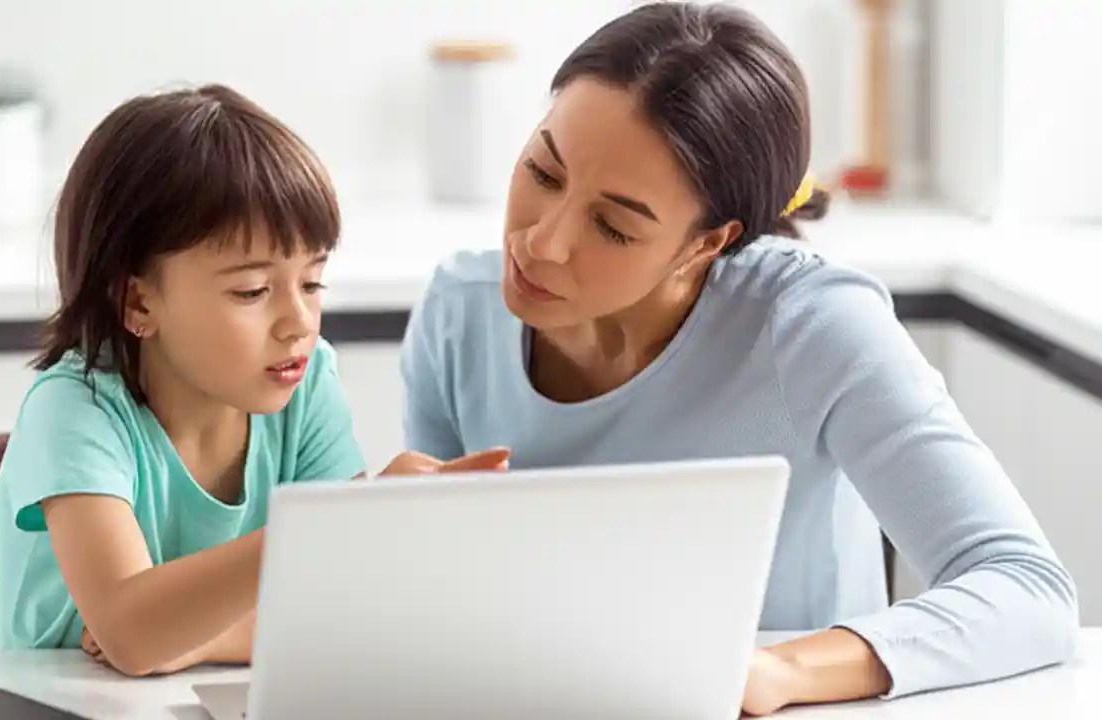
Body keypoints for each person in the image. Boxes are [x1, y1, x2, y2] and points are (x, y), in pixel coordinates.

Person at [399, 2, 1078, 715]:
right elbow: (448, 602)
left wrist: (778, 671)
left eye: (612, 225)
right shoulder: (459, 311)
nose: (543, 242)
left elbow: (1025, 586)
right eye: (542, 170)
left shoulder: (813, 324)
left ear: (706, 243)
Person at [0, 84, 508, 676]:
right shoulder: (73, 408)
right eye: (252, 291)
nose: (299, 323)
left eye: (312, 283)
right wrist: (342, 523)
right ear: (137, 302)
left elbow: (347, 614)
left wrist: (206, 640)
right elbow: (133, 634)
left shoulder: (305, 385)